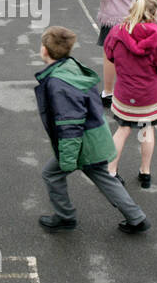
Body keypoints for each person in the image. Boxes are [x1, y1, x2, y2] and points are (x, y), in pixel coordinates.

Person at [34, 25, 150, 234]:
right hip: (94, 137)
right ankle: (136, 217)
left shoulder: (58, 83)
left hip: (80, 143)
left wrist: (68, 159)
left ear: (45, 50)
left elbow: (70, 124)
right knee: (104, 178)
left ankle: (65, 216)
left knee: (51, 174)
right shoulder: (70, 67)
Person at [103, 0, 157, 189]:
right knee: (147, 128)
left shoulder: (118, 32)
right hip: (150, 95)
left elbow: (110, 55)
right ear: (155, 11)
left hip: (126, 93)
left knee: (123, 129)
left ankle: (111, 171)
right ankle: (145, 172)